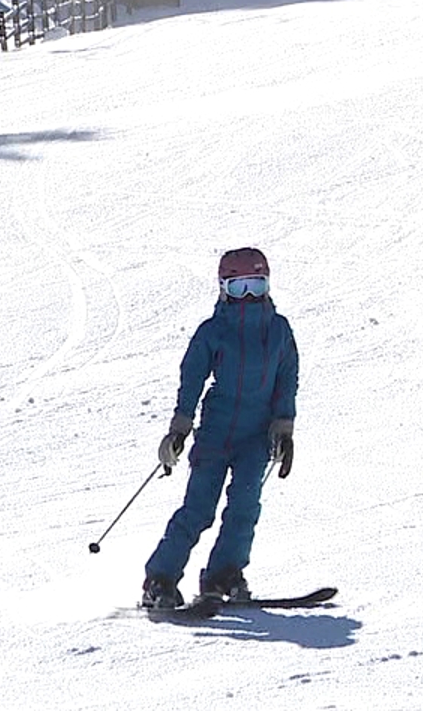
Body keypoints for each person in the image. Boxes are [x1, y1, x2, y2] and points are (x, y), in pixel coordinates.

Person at [140, 247, 299, 610]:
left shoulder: (278, 330)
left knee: (245, 507)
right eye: (239, 287)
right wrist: (179, 429)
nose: (249, 296)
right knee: (198, 509)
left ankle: (223, 573)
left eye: (256, 286)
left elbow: (287, 378)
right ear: (224, 289)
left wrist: (284, 428)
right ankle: (160, 579)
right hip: (216, 433)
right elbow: (192, 378)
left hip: (256, 438)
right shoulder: (213, 332)